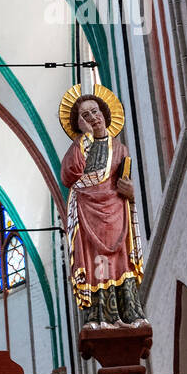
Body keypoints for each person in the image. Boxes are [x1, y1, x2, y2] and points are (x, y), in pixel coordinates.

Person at [59, 88, 146, 329]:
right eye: (85, 116)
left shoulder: (120, 149)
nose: (92, 118)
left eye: (95, 112)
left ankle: (130, 312)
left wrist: (130, 193)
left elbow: (124, 181)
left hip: (116, 210)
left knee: (121, 259)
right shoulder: (77, 148)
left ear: (105, 113)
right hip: (89, 211)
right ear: (79, 123)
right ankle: (99, 316)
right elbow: (71, 176)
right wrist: (86, 140)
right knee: (95, 262)